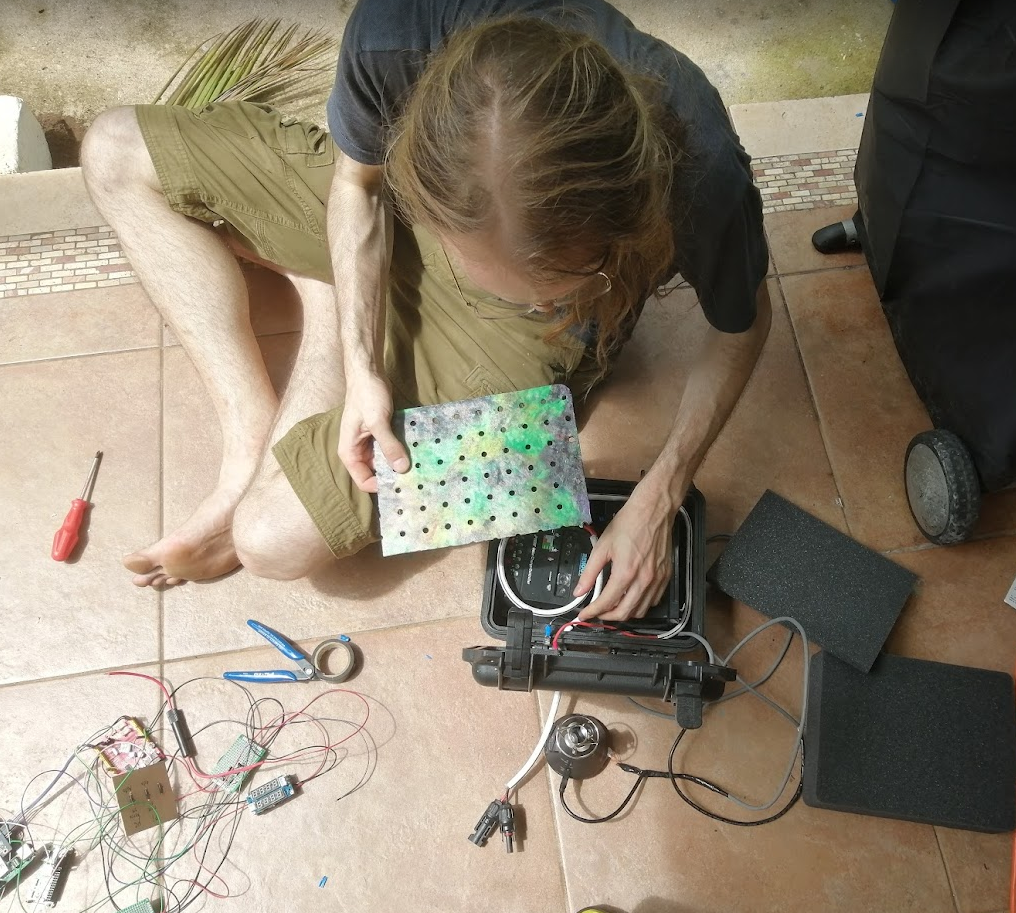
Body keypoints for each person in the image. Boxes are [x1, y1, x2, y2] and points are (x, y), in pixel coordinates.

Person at [79, 0, 771, 622]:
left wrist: (662, 493)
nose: (512, 282)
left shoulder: (697, 168)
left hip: (522, 337)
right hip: (393, 214)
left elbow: (743, 325)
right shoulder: (397, 30)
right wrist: (361, 363)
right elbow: (357, 185)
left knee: (267, 543)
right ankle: (248, 437)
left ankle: (327, 293)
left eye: (548, 278)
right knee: (113, 150)